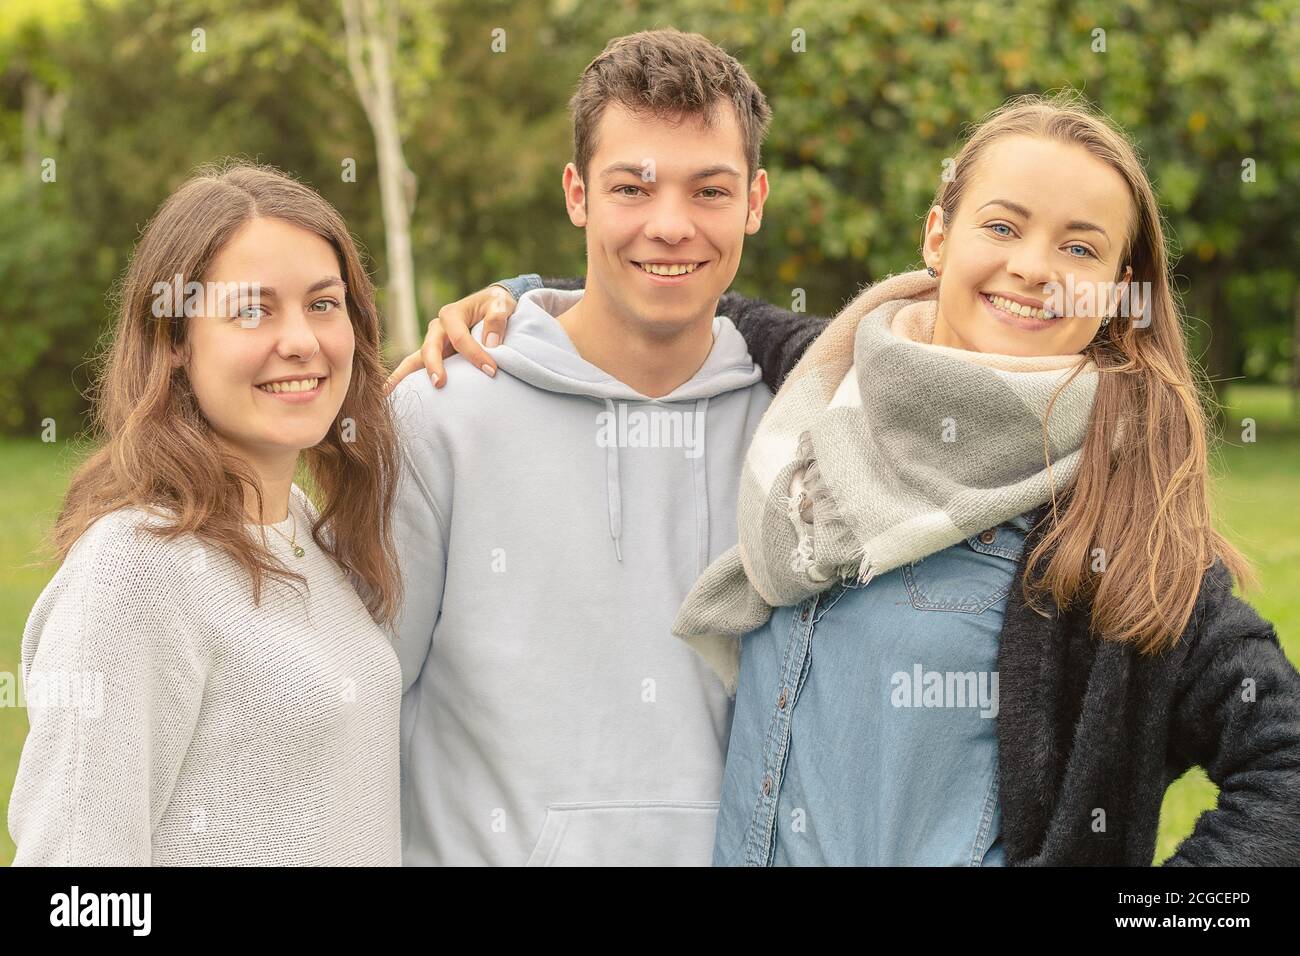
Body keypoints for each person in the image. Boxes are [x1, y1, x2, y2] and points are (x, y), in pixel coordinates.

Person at [671, 93, 1300, 866]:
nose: (1033, 268)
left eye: (1079, 249)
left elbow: (1284, 765)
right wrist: (522, 302)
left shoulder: (1119, 529)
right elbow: (684, 301)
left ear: (1116, 289)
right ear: (938, 236)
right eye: (1002, 226)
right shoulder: (833, 380)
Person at [386, 29, 799, 866]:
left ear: (754, 201)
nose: (671, 224)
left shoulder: (797, 429)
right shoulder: (440, 416)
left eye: (709, 191)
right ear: (578, 193)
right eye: (632, 187)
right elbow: (358, 703)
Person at [8, 162, 404, 866]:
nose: (302, 341)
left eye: (322, 303)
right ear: (175, 342)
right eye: (252, 309)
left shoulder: (309, 535)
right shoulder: (134, 568)